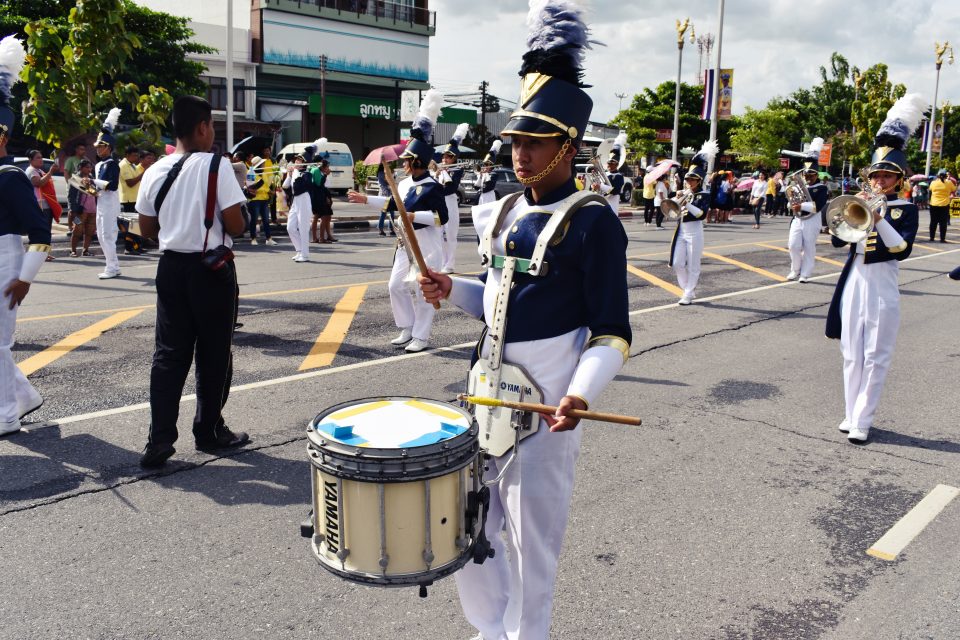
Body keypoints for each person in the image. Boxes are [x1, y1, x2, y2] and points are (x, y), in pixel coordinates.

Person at [418, 7, 630, 637]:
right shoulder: (506, 208)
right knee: (467, 527)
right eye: (515, 140)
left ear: (568, 147)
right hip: (485, 389)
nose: (518, 150)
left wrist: (579, 393)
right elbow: (499, 297)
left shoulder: (595, 222)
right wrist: (450, 287)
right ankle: (490, 630)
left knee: (533, 543)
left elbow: (612, 332)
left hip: (548, 400)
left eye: (533, 141)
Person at [135, 95, 250, 467]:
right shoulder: (219, 166)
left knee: (168, 355)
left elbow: (148, 228)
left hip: (170, 268)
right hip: (210, 269)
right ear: (202, 127)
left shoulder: (154, 170)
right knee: (214, 353)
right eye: (212, 126)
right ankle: (209, 430)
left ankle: (159, 440)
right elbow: (236, 225)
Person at [825, 93, 923, 445]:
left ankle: (863, 420)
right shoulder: (859, 202)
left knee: (875, 355)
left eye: (887, 176)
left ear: (898, 180)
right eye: (877, 175)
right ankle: (851, 413)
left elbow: (901, 249)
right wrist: (853, 214)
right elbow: (839, 241)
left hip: (882, 284)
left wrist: (878, 218)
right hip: (855, 280)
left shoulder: (905, 209)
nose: (880, 181)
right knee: (851, 352)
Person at [348, 89, 448, 353]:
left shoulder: (433, 187)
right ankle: (407, 327)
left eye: (406, 161)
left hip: (426, 245)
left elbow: (441, 218)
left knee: (422, 290)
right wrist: (365, 199)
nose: (402, 164)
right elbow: (393, 205)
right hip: (405, 243)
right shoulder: (403, 184)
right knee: (395, 285)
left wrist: (415, 216)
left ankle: (422, 336)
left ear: (415, 161)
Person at [0, 35, 49, 437]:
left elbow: (40, 231)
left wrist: (25, 278)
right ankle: (26, 397)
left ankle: (6, 416)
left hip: (7, 258)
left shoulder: (11, 176)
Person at [670, 140, 716, 305]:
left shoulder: (704, 195)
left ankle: (688, 293)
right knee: (677, 263)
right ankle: (687, 289)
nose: (689, 182)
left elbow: (701, 214)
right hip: (681, 230)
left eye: (693, 180)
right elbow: (671, 211)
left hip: (695, 231)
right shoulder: (685, 193)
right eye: (688, 179)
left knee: (693, 265)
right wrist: (676, 198)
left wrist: (686, 202)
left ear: (699, 180)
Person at [787, 140, 830, 283]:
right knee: (793, 245)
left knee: (809, 247)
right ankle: (795, 270)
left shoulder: (822, 188)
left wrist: (801, 206)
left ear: (817, 175)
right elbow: (791, 203)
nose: (808, 177)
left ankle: (805, 273)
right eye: (806, 175)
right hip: (798, 219)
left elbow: (818, 206)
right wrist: (791, 204)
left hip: (812, 219)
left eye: (811, 175)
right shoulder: (799, 186)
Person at [93, 108, 122, 279]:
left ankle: (112, 267)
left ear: (108, 148)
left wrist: (94, 182)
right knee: (102, 235)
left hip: (110, 203)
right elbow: (98, 187)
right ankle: (112, 265)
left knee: (108, 235)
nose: (98, 149)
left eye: (101, 147)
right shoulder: (98, 165)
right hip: (101, 203)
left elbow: (112, 186)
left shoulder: (113, 164)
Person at [436, 123, 468, 273]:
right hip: (439, 203)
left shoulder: (458, 170)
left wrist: (444, 172)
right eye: (444, 156)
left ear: (454, 158)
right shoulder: (440, 169)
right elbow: (436, 188)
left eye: (448, 157)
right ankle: (443, 262)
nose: (445, 158)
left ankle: (450, 264)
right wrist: (436, 175)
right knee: (440, 235)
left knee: (450, 234)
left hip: (450, 202)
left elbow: (451, 188)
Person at [24, 150, 60, 261]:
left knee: (46, 231)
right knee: (40, 231)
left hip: (46, 205)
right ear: (31, 160)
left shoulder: (39, 170)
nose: (41, 160)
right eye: (38, 158)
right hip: (38, 206)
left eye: (41, 157)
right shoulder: (31, 171)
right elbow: (38, 183)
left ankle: (44, 254)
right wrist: (50, 172)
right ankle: (36, 255)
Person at [283, 151, 313, 262]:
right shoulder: (295, 173)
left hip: (304, 200)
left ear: (305, 163)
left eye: (299, 160)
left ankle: (305, 255)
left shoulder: (307, 174)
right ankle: (299, 250)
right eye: (296, 160)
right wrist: (288, 174)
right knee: (290, 227)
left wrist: (294, 171)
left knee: (303, 229)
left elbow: (297, 186)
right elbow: (285, 186)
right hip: (296, 201)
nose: (296, 161)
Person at [67, 159, 97, 257]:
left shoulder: (92, 178)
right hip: (80, 211)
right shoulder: (75, 179)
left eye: (90, 167)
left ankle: (85, 251)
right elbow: (71, 196)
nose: (89, 169)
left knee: (90, 232)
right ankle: (73, 251)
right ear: (81, 168)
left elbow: (95, 193)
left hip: (92, 210)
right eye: (87, 167)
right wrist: (72, 210)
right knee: (77, 231)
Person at [592, 132, 626, 215]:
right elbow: (596, 188)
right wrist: (594, 186)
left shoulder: (619, 177)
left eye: (611, 164)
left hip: (612, 204)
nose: (609, 165)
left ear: (617, 165)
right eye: (608, 164)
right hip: (600, 202)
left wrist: (600, 186)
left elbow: (615, 190)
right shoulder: (605, 174)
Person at [247, 154, 276, 245]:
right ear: (258, 165)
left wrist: (271, 189)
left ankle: (268, 239)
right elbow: (251, 186)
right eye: (262, 164)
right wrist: (268, 190)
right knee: (254, 219)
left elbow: (266, 185)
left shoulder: (263, 173)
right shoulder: (250, 173)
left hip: (264, 199)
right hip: (255, 200)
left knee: (266, 220)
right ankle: (253, 238)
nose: (263, 165)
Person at [63, 141, 87, 236]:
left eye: (84, 149)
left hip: (82, 189)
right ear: (76, 150)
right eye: (81, 149)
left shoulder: (85, 159)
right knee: (72, 210)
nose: (83, 151)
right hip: (72, 188)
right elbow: (66, 173)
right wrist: (70, 184)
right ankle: (70, 227)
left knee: (79, 210)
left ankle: (78, 226)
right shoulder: (71, 160)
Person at [928, 169, 955, 242]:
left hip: (933, 204)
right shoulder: (949, 183)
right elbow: (954, 189)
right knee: (943, 223)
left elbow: (930, 191)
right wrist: (949, 180)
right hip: (944, 205)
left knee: (933, 222)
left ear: (938, 176)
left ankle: (932, 238)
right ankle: (942, 239)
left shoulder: (933, 183)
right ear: (946, 176)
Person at [475, 140, 502, 205]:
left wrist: (485, 174)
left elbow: (486, 188)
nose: (485, 166)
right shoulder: (483, 174)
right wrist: (480, 176)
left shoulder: (494, 174)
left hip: (489, 198)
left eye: (487, 165)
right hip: (481, 197)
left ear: (492, 165)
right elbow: (476, 187)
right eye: (484, 164)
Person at [376, 163, 395, 237]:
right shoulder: (381, 173)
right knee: (384, 213)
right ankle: (381, 229)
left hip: (389, 194)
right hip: (384, 195)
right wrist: (389, 175)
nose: (388, 165)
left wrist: (391, 174)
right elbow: (387, 182)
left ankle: (391, 228)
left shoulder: (385, 172)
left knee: (392, 212)